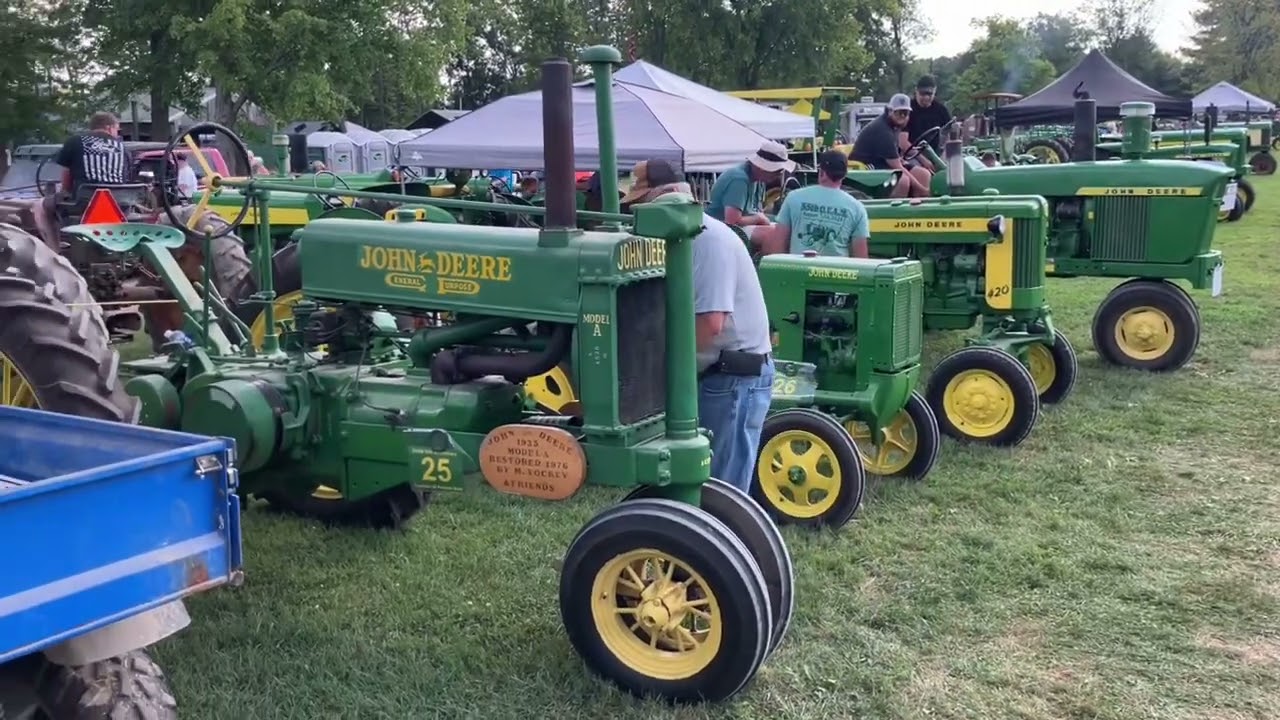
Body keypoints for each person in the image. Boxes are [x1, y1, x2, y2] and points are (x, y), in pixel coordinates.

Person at [623, 158, 774, 493]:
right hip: (718, 374)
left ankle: (725, 541)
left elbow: (709, 325)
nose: (638, 216)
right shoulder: (685, 241)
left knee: (721, 491)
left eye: (642, 205)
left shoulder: (706, 241)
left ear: (668, 199)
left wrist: (664, 377)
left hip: (733, 378)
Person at [755, 150, 869, 258]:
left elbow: (778, 246)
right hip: (837, 275)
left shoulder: (793, 197)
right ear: (844, 175)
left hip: (798, 272)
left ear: (822, 173)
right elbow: (861, 258)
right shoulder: (857, 208)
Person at [850, 94, 932, 198]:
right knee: (902, 181)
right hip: (866, 165)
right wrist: (922, 189)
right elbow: (896, 166)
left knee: (923, 174)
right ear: (890, 111)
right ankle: (897, 213)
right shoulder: (883, 131)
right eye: (899, 112)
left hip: (882, 162)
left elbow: (896, 159)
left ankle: (918, 210)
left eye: (905, 113)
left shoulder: (894, 127)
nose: (902, 116)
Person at [707, 140, 796, 227]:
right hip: (721, 232)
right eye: (778, 171)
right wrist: (758, 219)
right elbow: (731, 222)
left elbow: (755, 211)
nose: (779, 176)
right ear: (762, 168)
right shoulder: (738, 180)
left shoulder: (758, 179)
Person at [52, 111, 129, 196]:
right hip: (118, 199)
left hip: (83, 199)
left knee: (40, 205)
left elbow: (66, 173)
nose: (117, 134)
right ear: (109, 128)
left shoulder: (74, 141)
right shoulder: (122, 147)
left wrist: (65, 193)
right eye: (117, 130)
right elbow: (125, 176)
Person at [906, 75, 952, 156]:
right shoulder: (908, 109)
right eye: (922, 94)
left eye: (929, 94)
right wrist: (923, 160)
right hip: (911, 154)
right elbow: (903, 142)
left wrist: (943, 153)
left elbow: (948, 133)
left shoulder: (941, 110)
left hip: (936, 154)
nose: (926, 97)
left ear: (935, 91)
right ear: (916, 91)